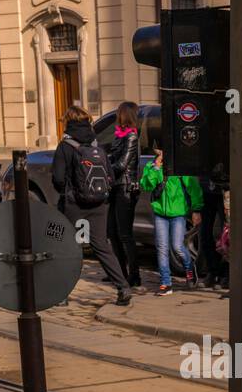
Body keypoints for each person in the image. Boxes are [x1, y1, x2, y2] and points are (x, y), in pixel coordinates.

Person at [52, 105, 131, 305]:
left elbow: (58, 178)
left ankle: (62, 294)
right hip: (99, 203)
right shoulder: (96, 145)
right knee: (101, 246)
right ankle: (123, 287)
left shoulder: (65, 146)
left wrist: (66, 192)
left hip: (73, 204)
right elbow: (110, 176)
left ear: (68, 122)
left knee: (66, 246)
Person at [139, 147, 202, 296]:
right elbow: (146, 185)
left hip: (178, 213)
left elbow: (194, 188)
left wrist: (196, 210)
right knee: (161, 248)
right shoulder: (151, 165)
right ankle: (166, 283)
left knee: (177, 246)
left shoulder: (181, 167)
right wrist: (156, 167)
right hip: (160, 213)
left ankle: (189, 268)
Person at [106, 101, 143, 289]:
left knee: (125, 234)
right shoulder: (119, 135)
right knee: (112, 231)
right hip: (116, 188)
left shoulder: (131, 137)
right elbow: (114, 158)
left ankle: (134, 275)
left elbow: (122, 164)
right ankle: (120, 272)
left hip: (126, 188)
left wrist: (103, 169)